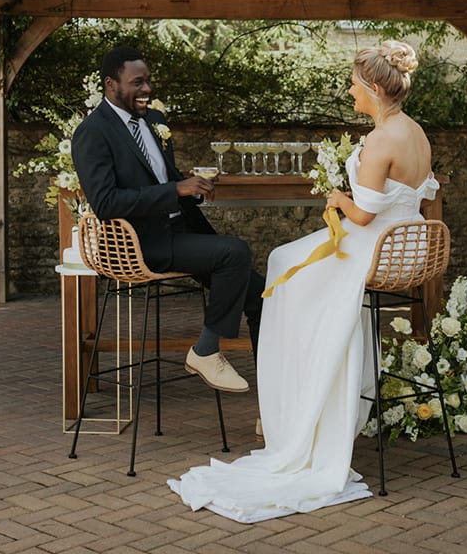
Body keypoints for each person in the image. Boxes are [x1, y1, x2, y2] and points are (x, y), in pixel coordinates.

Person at [169, 40, 438, 523]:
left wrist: (336, 196)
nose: (350, 92)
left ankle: (298, 410)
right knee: (286, 260)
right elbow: (414, 196)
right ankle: (297, 399)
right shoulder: (415, 131)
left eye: (355, 85)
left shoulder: (381, 141)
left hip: (373, 250)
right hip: (409, 245)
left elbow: (361, 215)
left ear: (375, 87)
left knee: (279, 268)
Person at [71, 45, 264, 393]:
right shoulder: (93, 132)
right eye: (137, 82)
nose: (147, 89)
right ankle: (205, 351)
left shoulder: (155, 123)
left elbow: (159, 177)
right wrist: (176, 190)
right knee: (234, 252)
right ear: (110, 84)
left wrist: (193, 186)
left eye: (148, 81)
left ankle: (274, 408)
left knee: (263, 297)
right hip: (144, 244)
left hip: (180, 232)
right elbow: (105, 202)